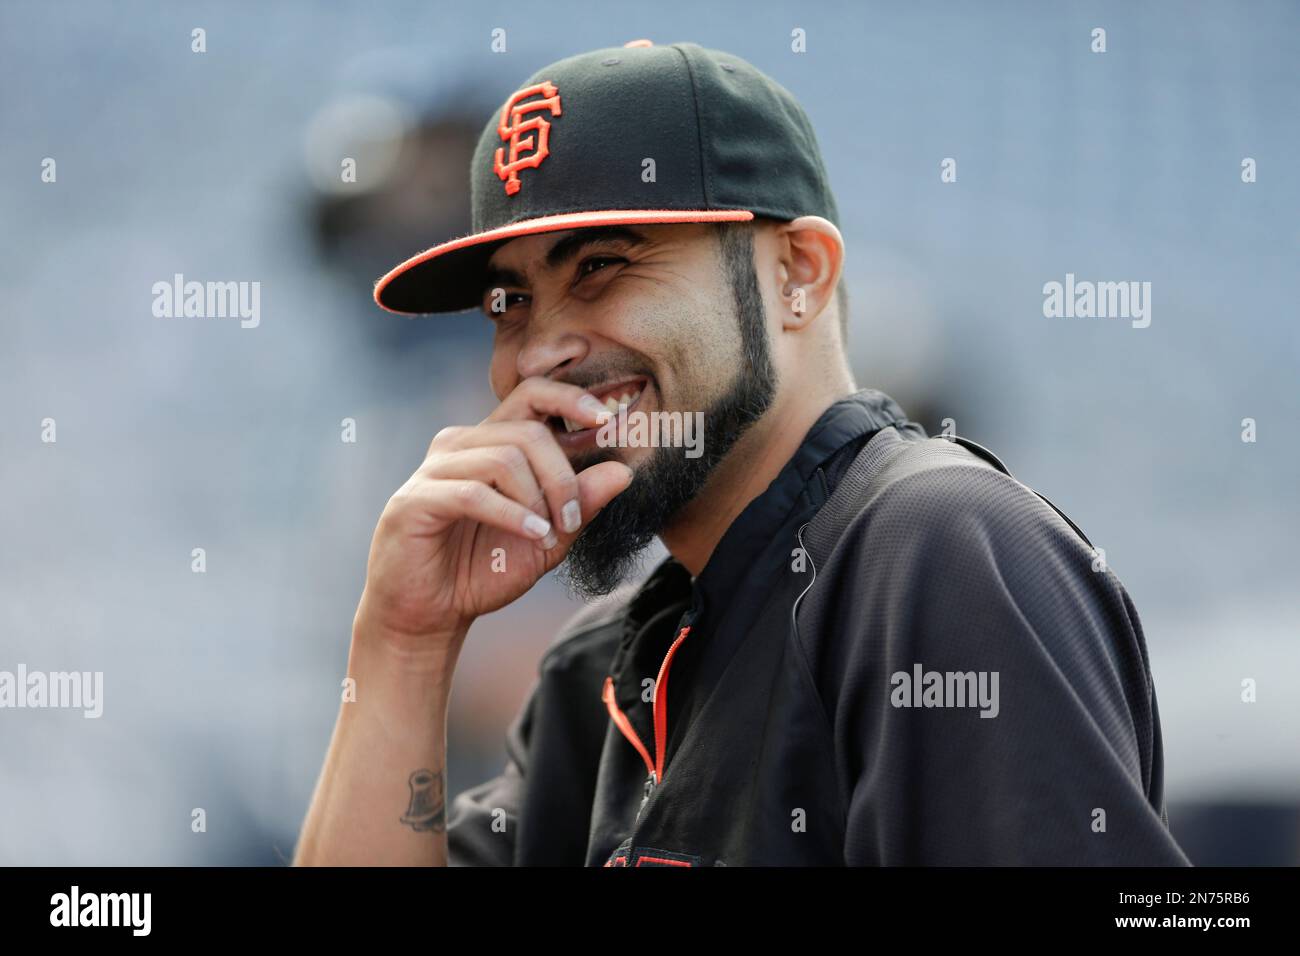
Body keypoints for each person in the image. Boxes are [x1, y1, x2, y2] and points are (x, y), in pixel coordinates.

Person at [293, 40, 1189, 866]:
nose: (538, 352)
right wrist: (402, 644)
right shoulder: (598, 673)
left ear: (798, 274)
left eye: (603, 265)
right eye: (509, 303)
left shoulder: (936, 549)